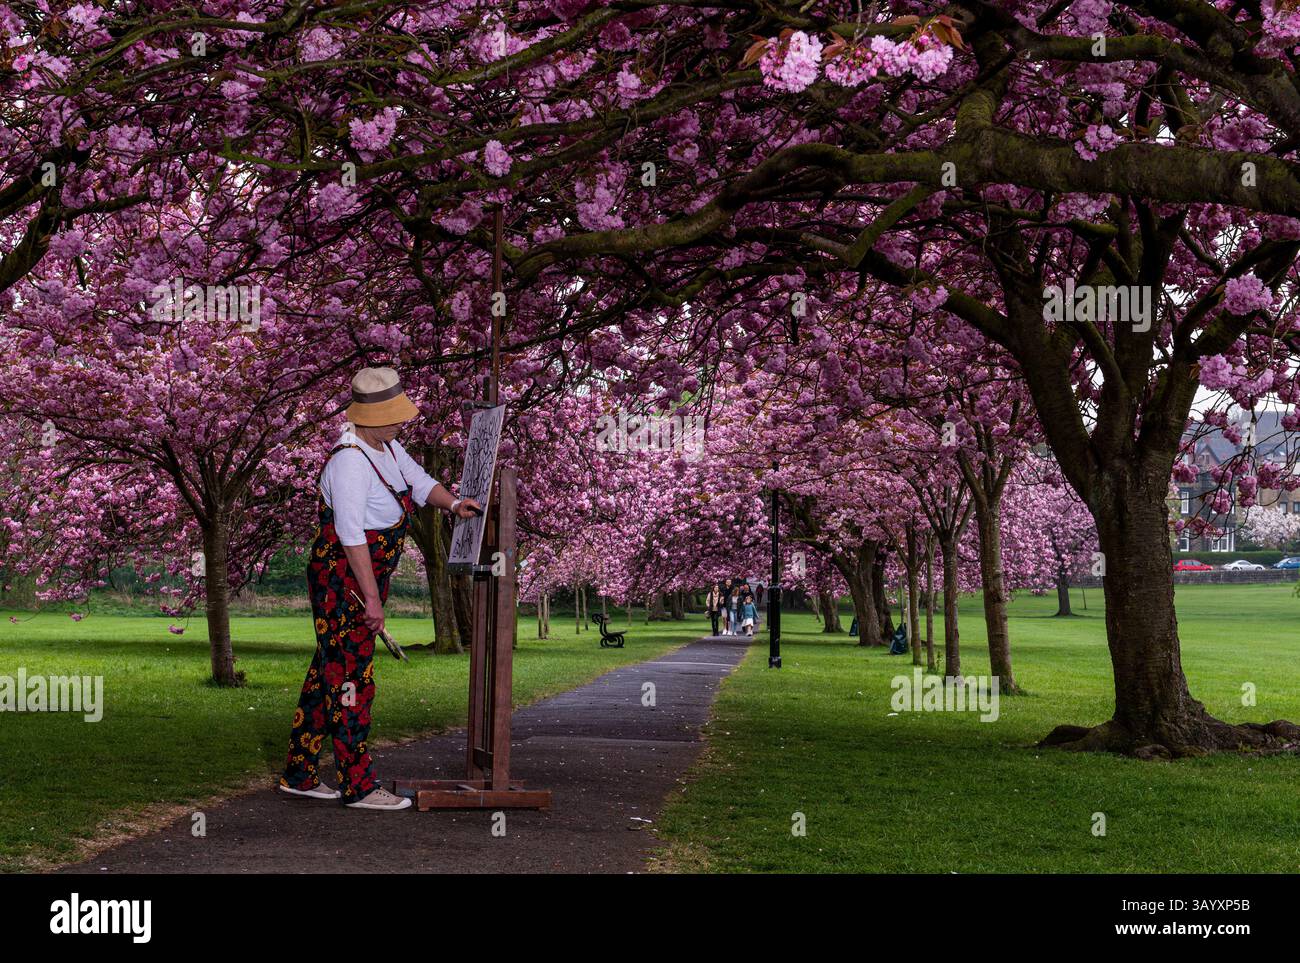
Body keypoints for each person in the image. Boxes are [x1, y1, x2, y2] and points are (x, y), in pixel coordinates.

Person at [279, 367, 481, 811]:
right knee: (352, 679)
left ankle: (300, 774)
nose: (401, 423)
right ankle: (359, 786)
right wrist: (372, 600)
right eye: (392, 416)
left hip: (364, 578)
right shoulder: (350, 462)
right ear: (366, 417)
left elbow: (420, 482)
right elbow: (351, 536)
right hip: (344, 580)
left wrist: (454, 504)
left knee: (327, 672)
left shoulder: (386, 445)